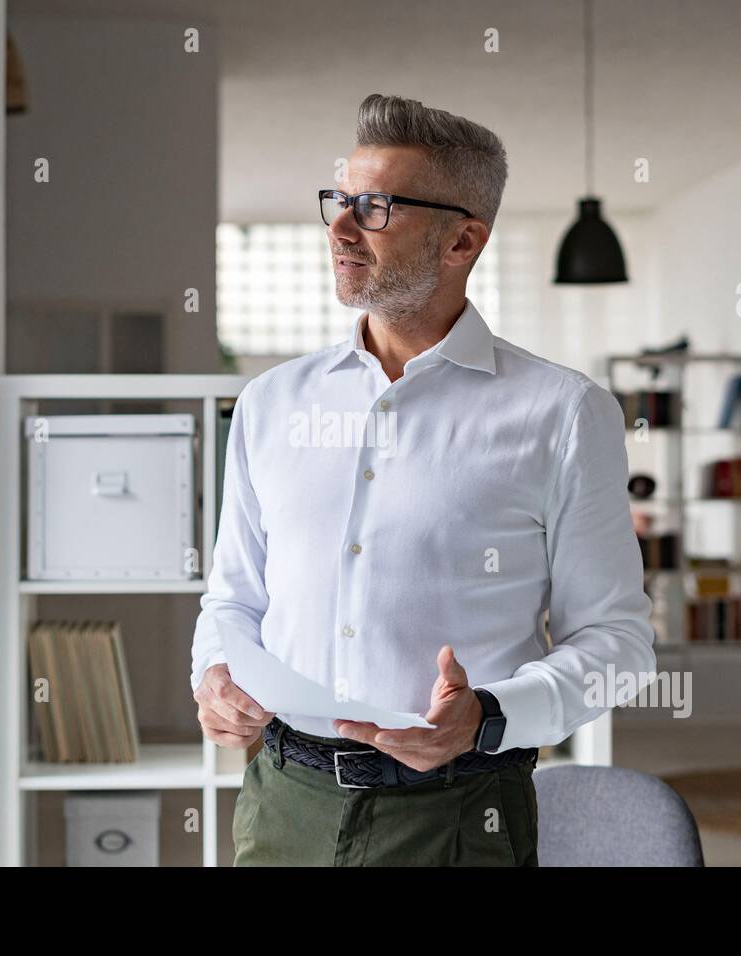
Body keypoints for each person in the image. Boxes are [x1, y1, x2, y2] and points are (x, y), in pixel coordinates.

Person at [191, 93, 655, 866]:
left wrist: (489, 716)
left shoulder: (562, 413)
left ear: (462, 240)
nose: (340, 228)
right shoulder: (272, 402)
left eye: (374, 208)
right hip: (279, 805)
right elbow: (233, 598)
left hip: (459, 816)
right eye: (338, 201)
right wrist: (214, 674)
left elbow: (617, 643)